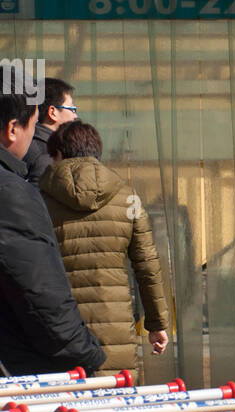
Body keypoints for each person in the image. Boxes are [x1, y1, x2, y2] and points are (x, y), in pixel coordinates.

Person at [40, 120, 170, 381]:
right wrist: (156, 324)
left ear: (60, 155)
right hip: (115, 333)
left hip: (59, 330)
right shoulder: (128, 197)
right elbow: (147, 266)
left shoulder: (39, 198)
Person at [0, 93, 106, 377]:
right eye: (34, 126)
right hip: (29, 366)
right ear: (12, 129)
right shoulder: (12, 194)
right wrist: (88, 353)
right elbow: (39, 294)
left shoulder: (36, 190)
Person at [24, 76, 77, 186]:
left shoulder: (28, 142)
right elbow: (39, 199)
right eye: (72, 109)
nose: (75, 116)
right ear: (53, 112)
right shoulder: (47, 154)